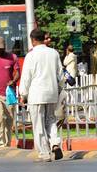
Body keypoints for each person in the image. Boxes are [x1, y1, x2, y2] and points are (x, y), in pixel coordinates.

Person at [19, 28, 65, 161]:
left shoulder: (31, 55)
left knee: (38, 123)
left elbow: (26, 77)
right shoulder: (54, 53)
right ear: (43, 38)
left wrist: (23, 93)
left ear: (33, 40)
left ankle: (44, 153)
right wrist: (59, 88)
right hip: (51, 92)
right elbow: (60, 75)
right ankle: (55, 143)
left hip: (36, 94)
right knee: (51, 120)